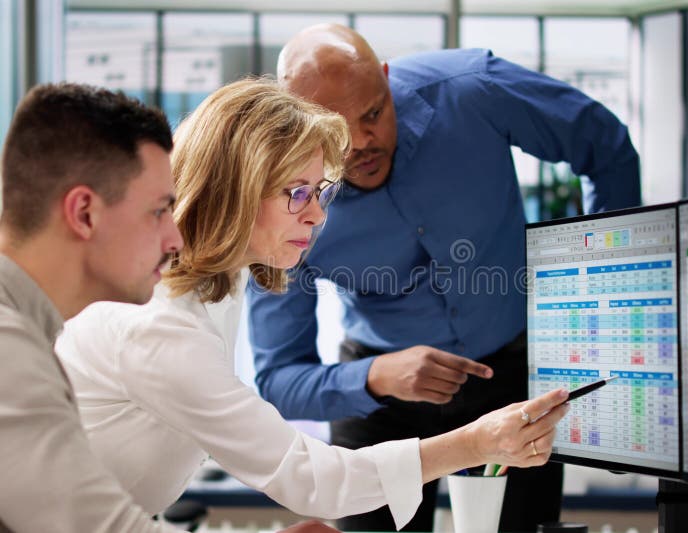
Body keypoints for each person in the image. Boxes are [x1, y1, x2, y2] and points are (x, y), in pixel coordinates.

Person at [56, 78, 571, 531]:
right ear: (235, 189)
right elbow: (308, 478)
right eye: (297, 193)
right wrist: (478, 444)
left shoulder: (216, 282)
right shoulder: (158, 323)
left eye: (321, 190)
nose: (319, 215)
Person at [247, 23, 642, 532]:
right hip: (378, 401)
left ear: (386, 81)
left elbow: (604, 145)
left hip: (513, 381)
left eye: (373, 113)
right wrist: (374, 377)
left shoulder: (472, 88)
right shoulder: (279, 205)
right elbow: (278, 378)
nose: (363, 142)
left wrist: (603, 287)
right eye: (337, 133)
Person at [0, 82, 185, 532]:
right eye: (159, 211)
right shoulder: (7, 350)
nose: (175, 240)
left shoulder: (27, 332)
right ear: (84, 212)